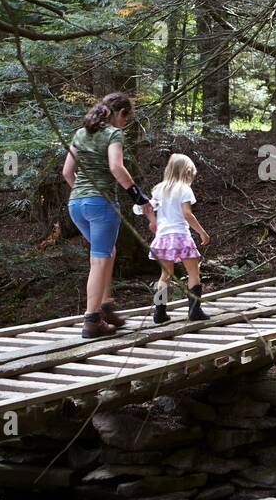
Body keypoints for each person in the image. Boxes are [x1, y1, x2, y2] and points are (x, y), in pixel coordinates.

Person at [62, 92, 157, 337]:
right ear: (120, 113)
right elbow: (116, 167)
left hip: (76, 204)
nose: (125, 123)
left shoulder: (80, 133)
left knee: (107, 252)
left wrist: (83, 194)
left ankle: (105, 306)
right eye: (126, 118)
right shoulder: (114, 134)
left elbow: (67, 173)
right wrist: (139, 197)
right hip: (101, 204)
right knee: (99, 260)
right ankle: (92, 320)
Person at [143, 153, 212, 324]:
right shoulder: (184, 189)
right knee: (193, 273)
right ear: (187, 171)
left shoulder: (158, 189)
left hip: (163, 238)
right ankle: (194, 311)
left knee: (165, 276)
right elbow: (187, 214)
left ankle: (159, 312)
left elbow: (147, 208)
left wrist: (152, 222)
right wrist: (202, 232)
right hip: (180, 236)